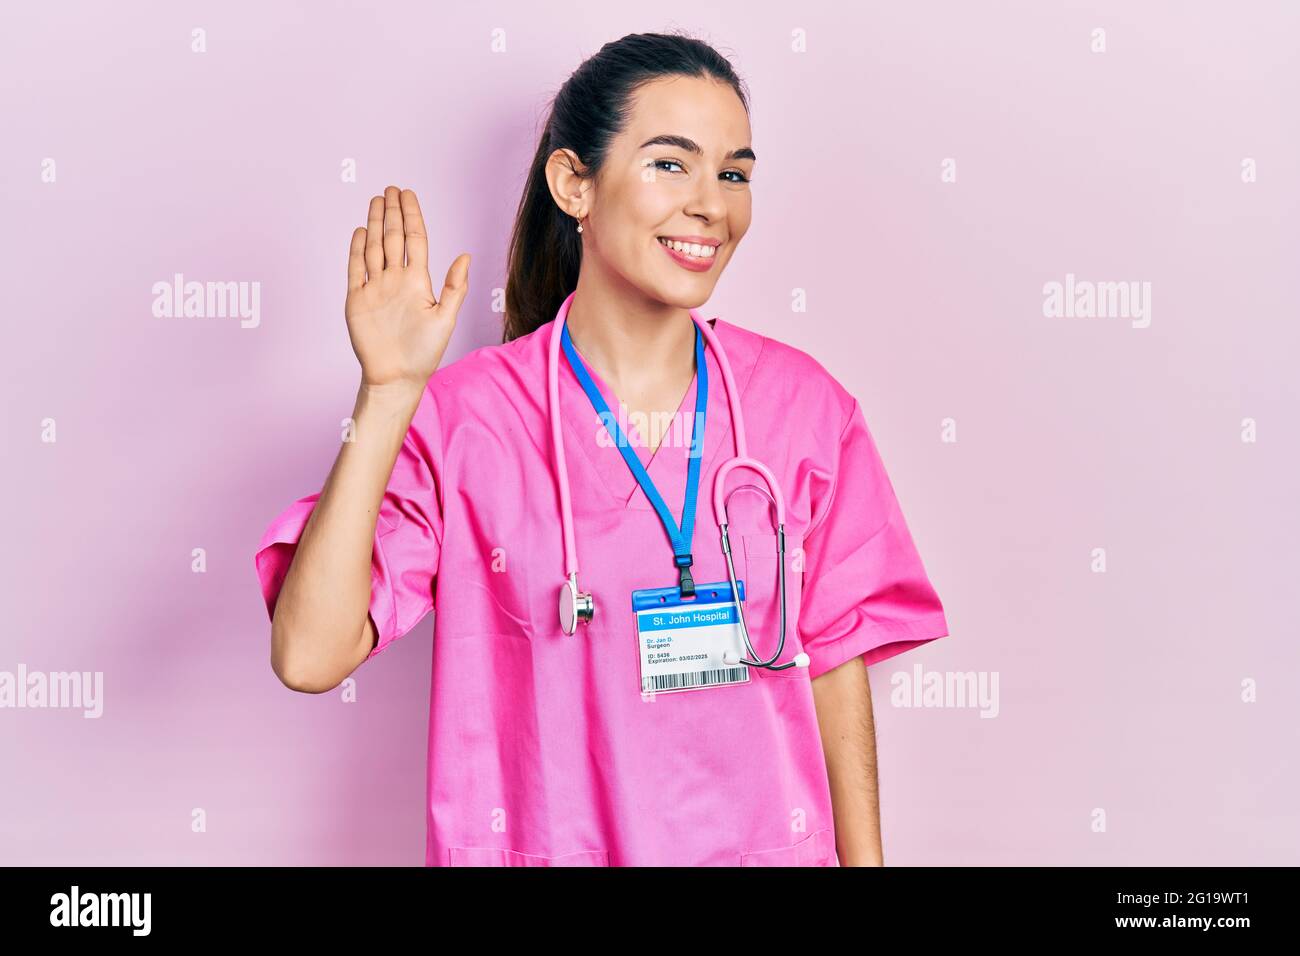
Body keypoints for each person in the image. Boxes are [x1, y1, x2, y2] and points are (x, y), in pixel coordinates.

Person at [254, 31, 949, 867]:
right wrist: (390, 396)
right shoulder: (467, 420)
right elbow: (308, 653)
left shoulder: (803, 409)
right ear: (574, 184)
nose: (711, 205)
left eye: (734, 174)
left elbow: (835, 667)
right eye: (670, 164)